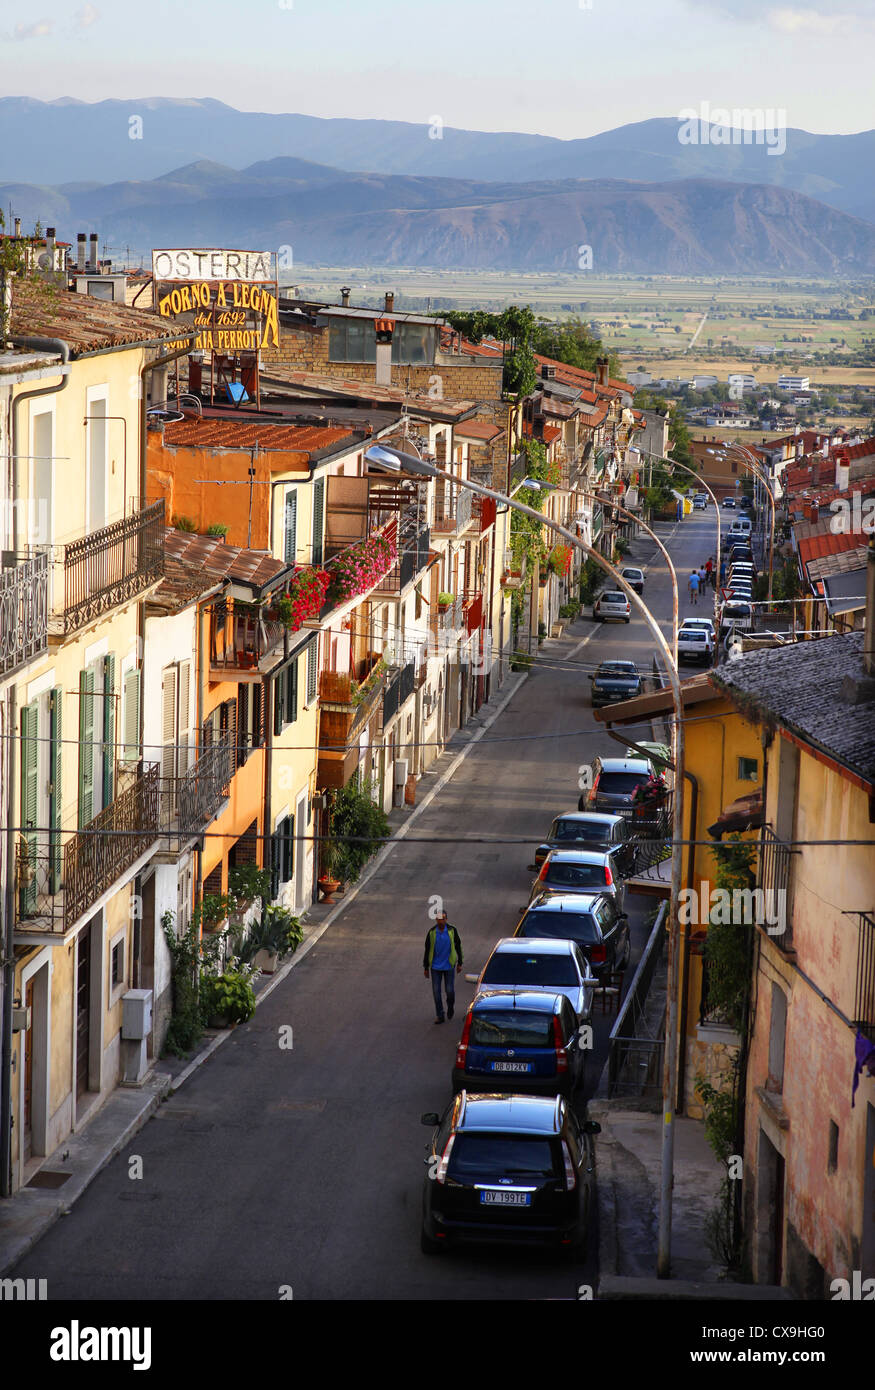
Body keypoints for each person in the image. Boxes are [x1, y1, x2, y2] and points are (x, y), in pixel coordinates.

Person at [423, 911, 463, 1023]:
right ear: (436, 920)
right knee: (436, 992)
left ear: (446, 919)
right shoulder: (431, 933)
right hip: (435, 967)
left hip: (449, 965)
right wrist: (426, 967)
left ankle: (450, 1006)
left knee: (449, 990)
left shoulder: (452, 931)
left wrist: (460, 962)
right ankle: (440, 1015)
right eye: (439, 919)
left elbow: (458, 945)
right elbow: (427, 950)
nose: (441, 921)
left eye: (443, 919)